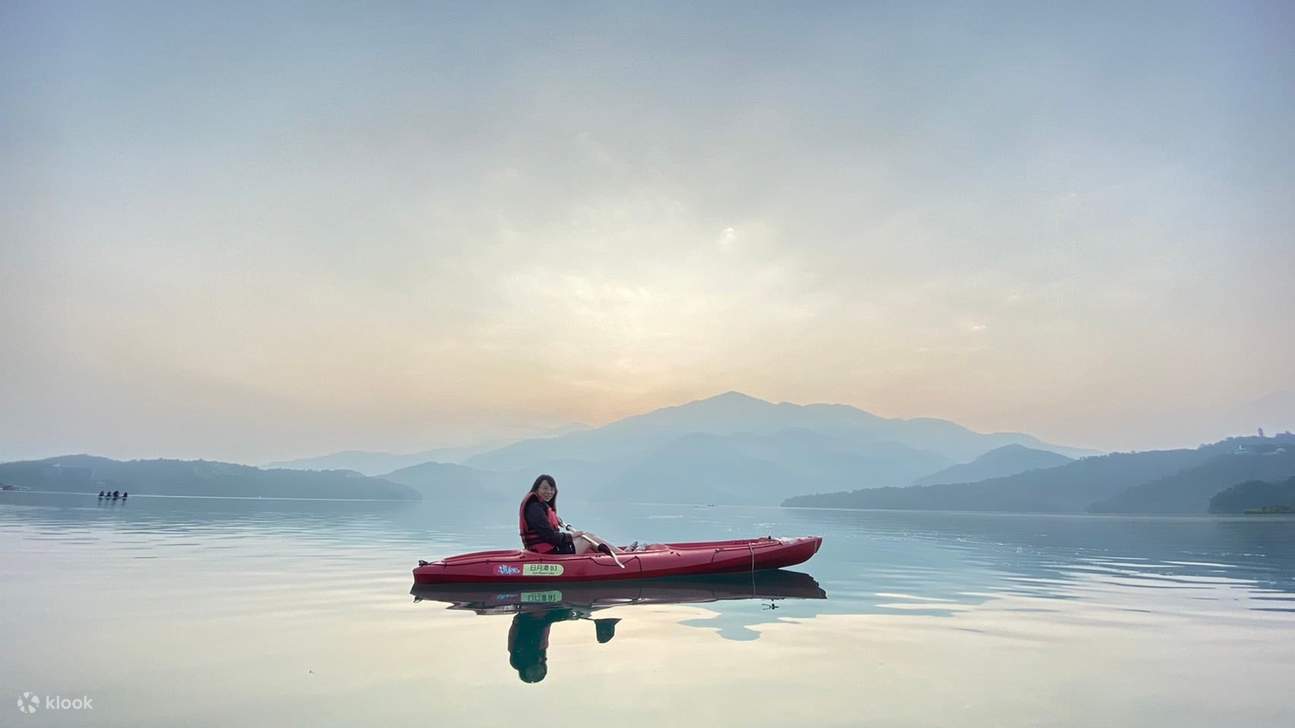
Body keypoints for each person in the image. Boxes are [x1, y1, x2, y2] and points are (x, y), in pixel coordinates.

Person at [519, 474, 621, 557]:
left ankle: (620, 553)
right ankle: (622, 556)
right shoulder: (534, 508)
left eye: (552, 489)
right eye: (545, 488)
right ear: (536, 489)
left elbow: (545, 528)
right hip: (548, 553)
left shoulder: (538, 507)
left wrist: (554, 519)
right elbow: (550, 537)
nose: (549, 492)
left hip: (548, 549)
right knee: (587, 539)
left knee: (589, 536)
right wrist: (572, 536)